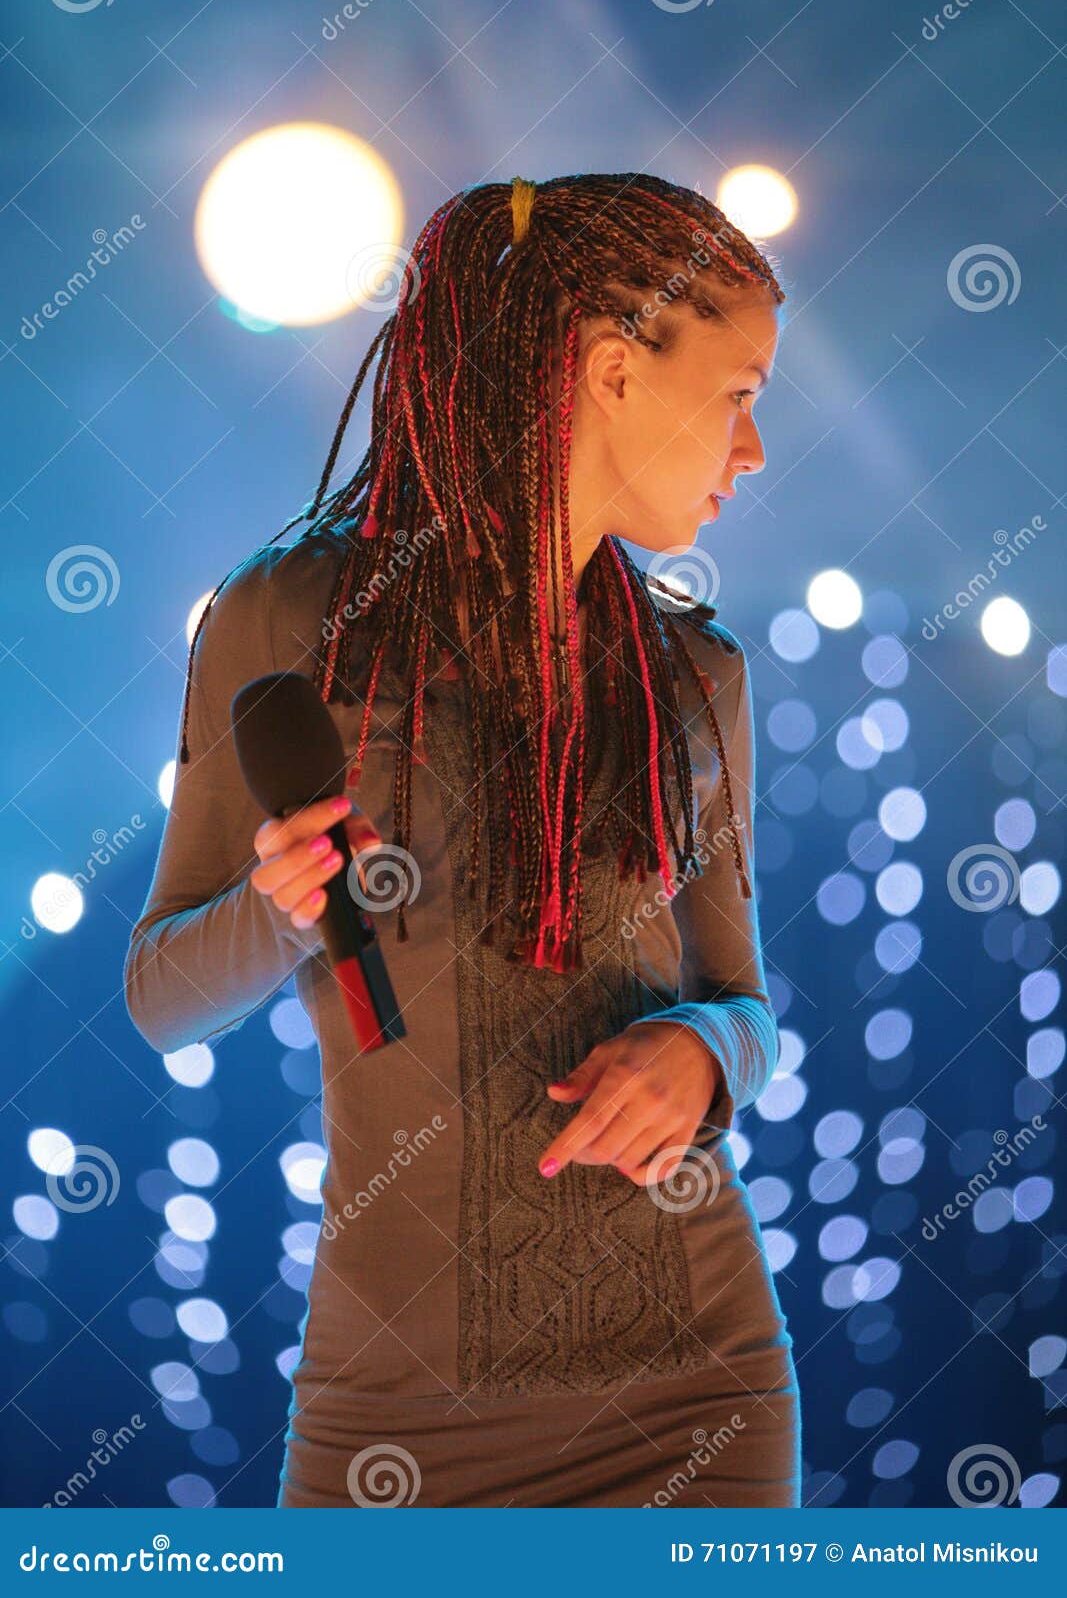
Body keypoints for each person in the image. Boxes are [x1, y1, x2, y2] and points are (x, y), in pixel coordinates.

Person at [124, 170, 800, 1508]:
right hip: (394, 1424)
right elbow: (160, 997)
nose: (753, 449)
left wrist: (703, 1054)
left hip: (696, 1395)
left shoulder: (696, 673)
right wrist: (279, 903)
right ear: (614, 367)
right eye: (739, 395)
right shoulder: (289, 619)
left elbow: (748, 1006)